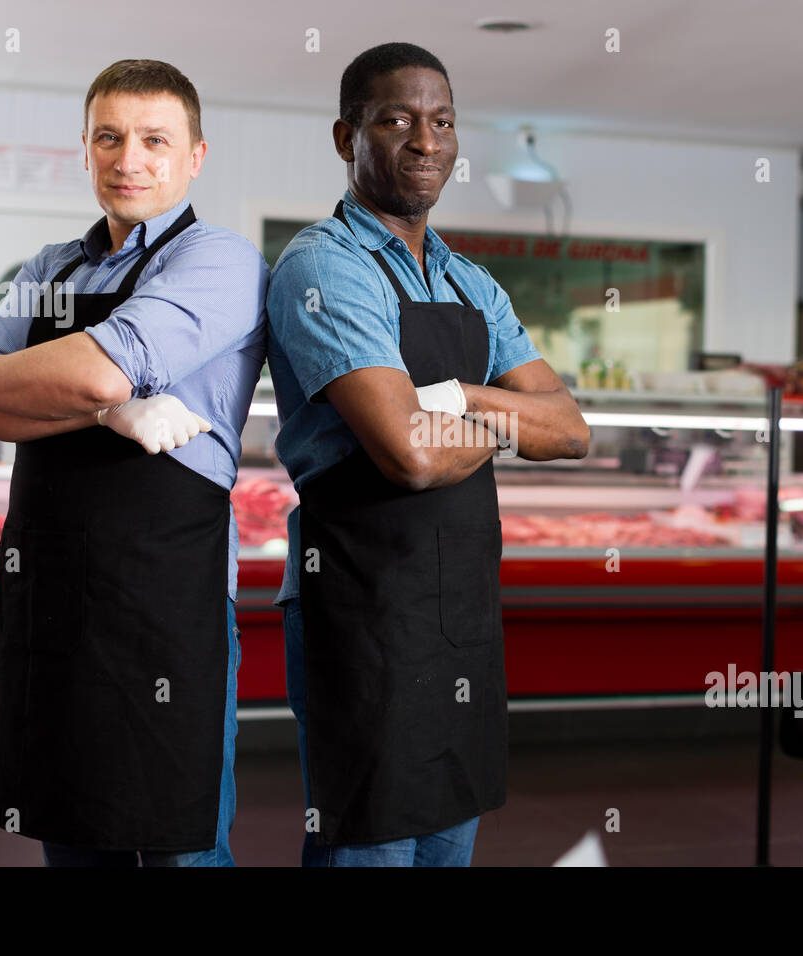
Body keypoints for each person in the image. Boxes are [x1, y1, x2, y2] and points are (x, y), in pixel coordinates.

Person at [0, 59, 268, 867]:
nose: (128, 157)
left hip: (168, 611)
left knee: (178, 848)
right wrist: (108, 409)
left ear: (195, 156)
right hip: (53, 598)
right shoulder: (49, 268)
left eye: (153, 140)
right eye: (109, 137)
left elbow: (93, 366)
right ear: (87, 150)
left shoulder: (224, 262)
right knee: (71, 839)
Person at [267, 42, 590, 867]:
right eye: (398, 120)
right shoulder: (322, 266)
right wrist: (505, 419)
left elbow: (574, 431)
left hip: (460, 615)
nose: (426, 141)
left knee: (449, 843)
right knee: (368, 845)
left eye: (441, 121)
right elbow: (408, 454)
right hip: (361, 607)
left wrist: (461, 399)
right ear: (348, 138)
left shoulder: (471, 280)